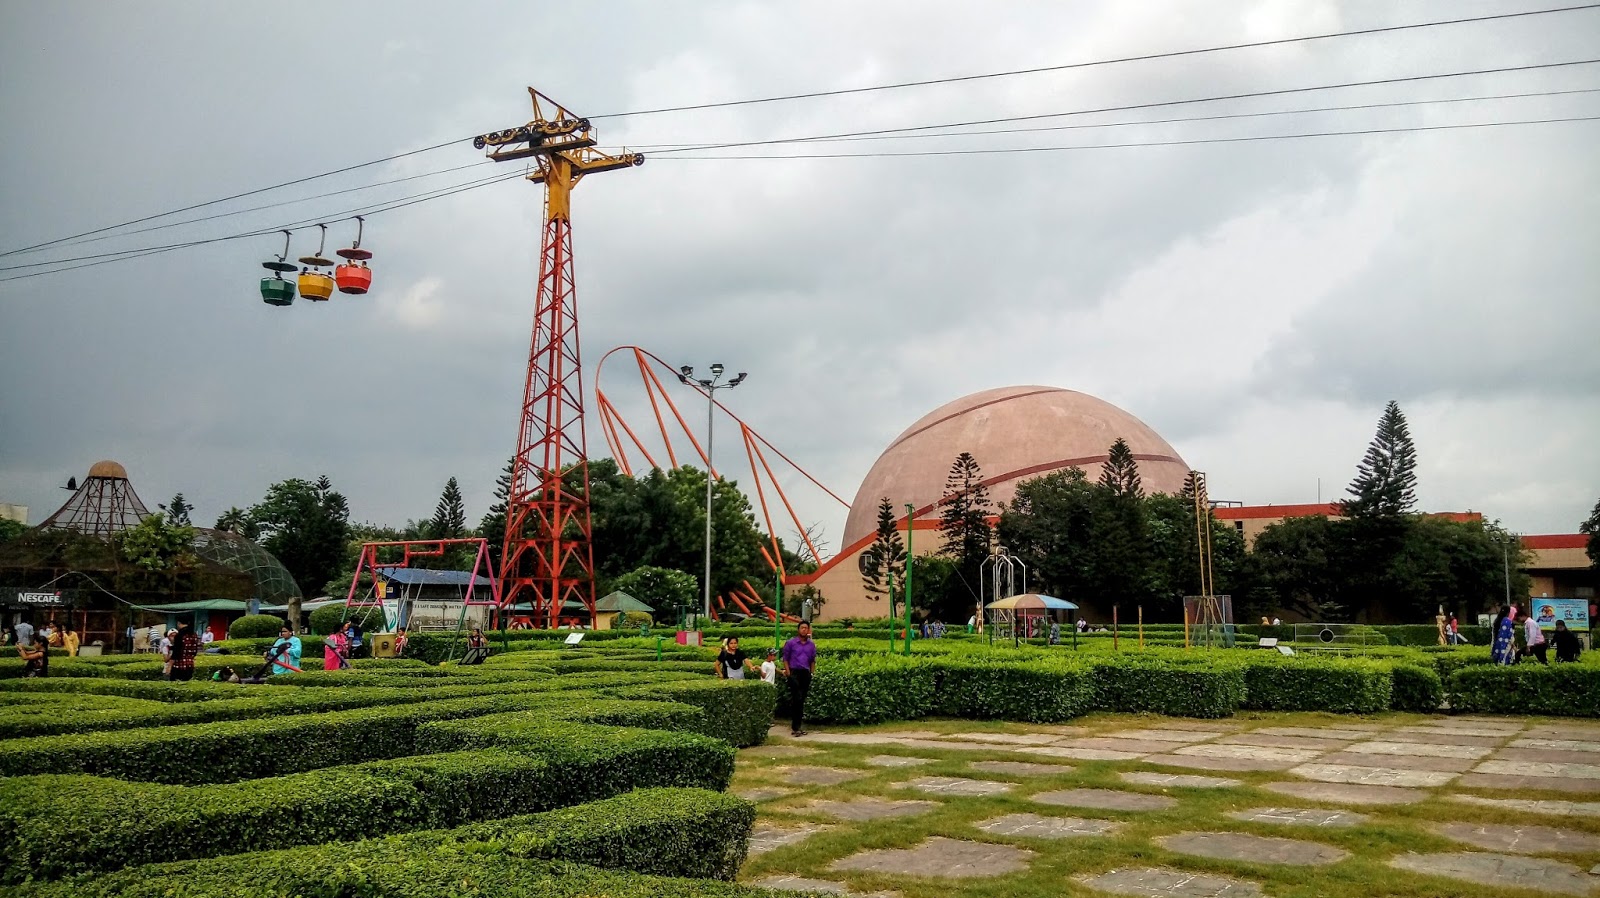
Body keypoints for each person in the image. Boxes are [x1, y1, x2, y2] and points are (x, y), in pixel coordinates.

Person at [779, 621, 817, 736]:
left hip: (805, 673)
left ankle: (798, 726)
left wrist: (811, 673)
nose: (804, 630)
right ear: (798, 629)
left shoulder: (811, 645)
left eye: (806, 628)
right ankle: (795, 727)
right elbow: (785, 658)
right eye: (802, 628)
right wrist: (789, 673)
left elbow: (812, 660)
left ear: (808, 630)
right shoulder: (791, 643)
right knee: (797, 699)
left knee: (801, 700)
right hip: (794, 672)